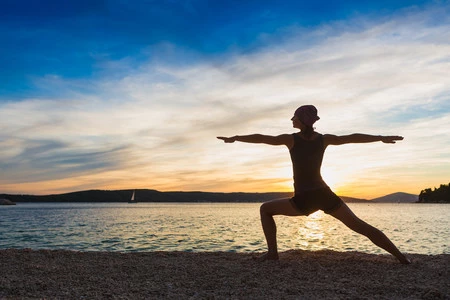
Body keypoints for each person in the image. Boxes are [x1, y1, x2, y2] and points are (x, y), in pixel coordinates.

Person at [217, 105, 411, 264]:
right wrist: (380, 138)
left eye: (294, 117)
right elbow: (351, 137)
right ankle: (402, 259)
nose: (291, 120)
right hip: (325, 194)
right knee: (361, 227)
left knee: (265, 209)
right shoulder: (323, 139)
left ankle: (272, 254)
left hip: (305, 199)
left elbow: (262, 138)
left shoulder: (290, 139)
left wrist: (236, 138)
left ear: (301, 121)